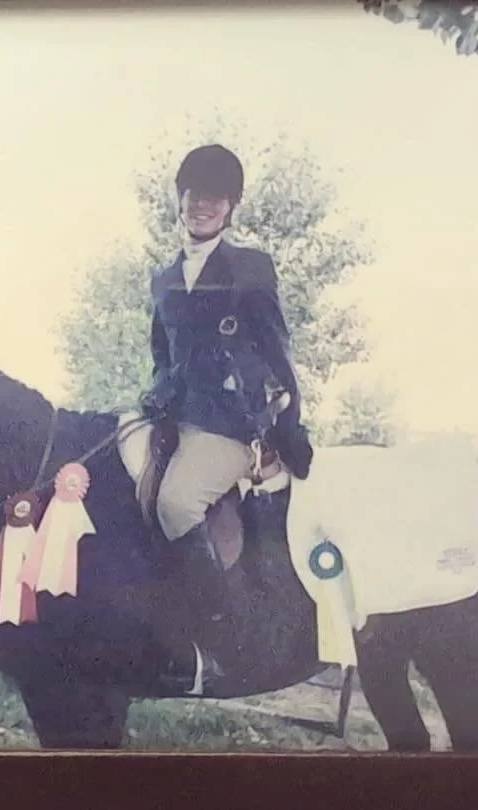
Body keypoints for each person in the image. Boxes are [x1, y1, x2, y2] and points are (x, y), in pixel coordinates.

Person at [137, 143, 315, 694]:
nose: (201, 206)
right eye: (193, 196)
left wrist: (287, 424)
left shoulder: (250, 267)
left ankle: (220, 641)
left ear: (229, 208)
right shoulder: (162, 279)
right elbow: (162, 356)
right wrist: (156, 394)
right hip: (172, 418)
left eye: (213, 199)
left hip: (230, 423)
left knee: (175, 501)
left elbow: (277, 351)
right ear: (181, 201)